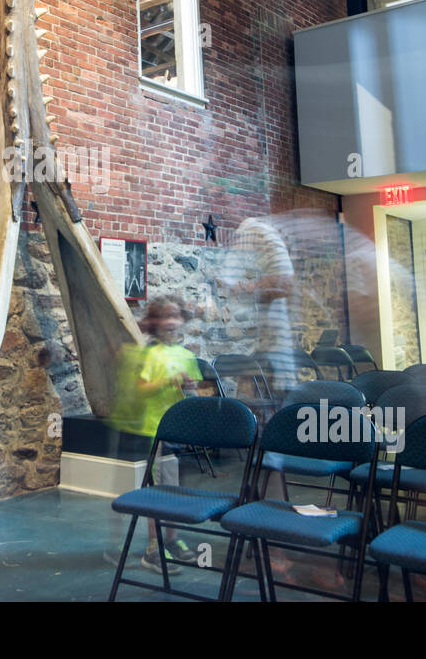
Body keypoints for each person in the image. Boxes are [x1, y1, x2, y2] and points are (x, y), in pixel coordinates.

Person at [109, 296, 202, 571]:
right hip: (156, 431)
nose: (171, 322)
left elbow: (193, 391)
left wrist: (189, 384)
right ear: (154, 324)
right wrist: (166, 381)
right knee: (160, 492)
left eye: (175, 316)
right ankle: (153, 548)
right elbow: (142, 387)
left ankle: (171, 541)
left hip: (180, 434)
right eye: (164, 317)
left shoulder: (186, 355)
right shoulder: (151, 354)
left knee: (175, 492)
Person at [220, 215, 298, 401]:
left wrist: (250, 288)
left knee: (273, 400)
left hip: (275, 346)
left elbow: (286, 284)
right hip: (262, 345)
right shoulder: (257, 241)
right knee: (249, 396)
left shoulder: (261, 236)